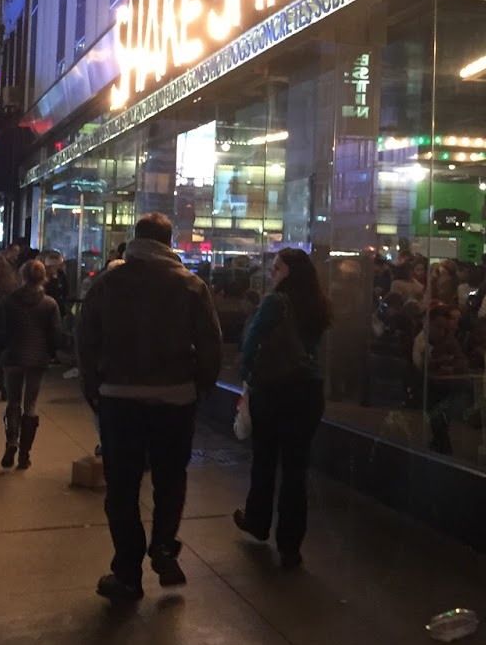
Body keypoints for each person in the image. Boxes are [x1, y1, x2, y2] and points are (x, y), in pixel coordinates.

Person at [75, 213, 221, 604]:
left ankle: (127, 573)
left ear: (135, 239)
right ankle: (163, 547)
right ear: (169, 240)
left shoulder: (107, 283)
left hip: (119, 396)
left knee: (122, 488)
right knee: (170, 478)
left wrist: (93, 387)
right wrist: (201, 386)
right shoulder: (191, 285)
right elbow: (210, 343)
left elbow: (86, 338)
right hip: (175, 396)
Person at [232, 247, 333, 568]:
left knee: (264, 459)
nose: (272, 273)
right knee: (295, 469)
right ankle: (290, 544)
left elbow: (252, 340)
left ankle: (258, 521)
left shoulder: (276, 302)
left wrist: (245, 370)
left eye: (277, 268)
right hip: (309, 391)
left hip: (275, 389)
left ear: (290, 271)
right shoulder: (319, 303)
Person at [0, 258, 61, 469]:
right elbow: (55, 334)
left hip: (13, 355)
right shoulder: (49, 304)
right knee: (30, 404)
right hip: (37, 357)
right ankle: (25, 453)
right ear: (43, 278)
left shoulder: (8, 301)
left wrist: (4, 348)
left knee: (13, 401)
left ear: (21, 276)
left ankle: (11, 441)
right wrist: (50, 353)